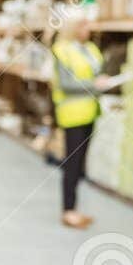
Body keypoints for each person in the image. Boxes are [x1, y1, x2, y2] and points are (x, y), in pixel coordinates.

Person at [50, 14, 106, 229]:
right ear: (73, 27)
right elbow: (66, 84)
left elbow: (97, 72)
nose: (88, 28)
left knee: (80, 162)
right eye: (83, 24)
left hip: (90, 112)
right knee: (72, 163)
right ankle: (68, 210)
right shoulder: (62, 50)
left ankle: (74, 208)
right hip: (72, 114)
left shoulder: (90, 49)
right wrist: (94, 85)